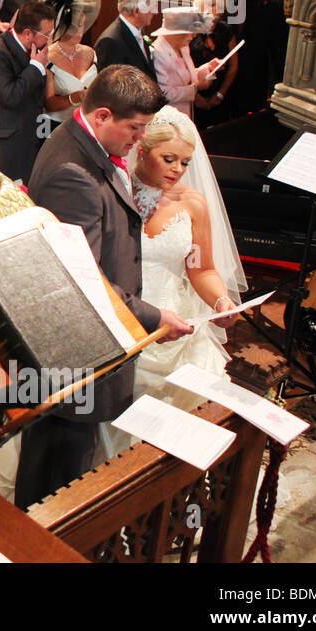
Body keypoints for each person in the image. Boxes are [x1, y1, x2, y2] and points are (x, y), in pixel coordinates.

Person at [16, 65, 193, 509]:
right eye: (134, 129)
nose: (138, 140)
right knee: (57, 471)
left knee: (66, 460)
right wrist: (151, 317)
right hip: (75, 350)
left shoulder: (86, 147)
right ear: (101, 117)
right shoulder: (72, 173)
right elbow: (81, 277)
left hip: (88, 343)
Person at [128, 105, 244, 409]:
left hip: (177, 321)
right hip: (126, 315)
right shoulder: (116, 190)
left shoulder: (193, 204)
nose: (178, 169)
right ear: (141, 150)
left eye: (185, 162)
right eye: (168, 159)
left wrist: (221, 301)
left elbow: (200, 268)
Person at [0, 1, 55, 216]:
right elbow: (10, 95)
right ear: (28, 33)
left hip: (24, 147)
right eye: (47, 33)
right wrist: (35, 67)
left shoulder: (33, 51)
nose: (50, 39)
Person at [225, 0, 288, 117]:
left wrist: (274, 88)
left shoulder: (272, 5)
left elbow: (278, 50)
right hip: (222, 78)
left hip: (253, 79)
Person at [151, 6, 218, 119]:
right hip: (168, 119)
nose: (195, 35)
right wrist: (196, 88)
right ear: (176, 32)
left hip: (185, 115)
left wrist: (206, 68)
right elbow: (164, 94)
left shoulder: (184, 47)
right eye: (191, 32)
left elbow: (185, 76)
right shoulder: (157, 53)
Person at [44, 10, 98, 128]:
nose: (78, 31)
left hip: (87, 125)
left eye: (81, 25)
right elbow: (49, 104)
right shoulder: (47, 57)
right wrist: (75, 97)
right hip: (55, 126)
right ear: (60, 26)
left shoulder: (90, 52)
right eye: (72, 26)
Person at [95, 0, 159, 81]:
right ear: (136, 11)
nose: (155, 12)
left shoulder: (140, 30)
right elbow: (111, 85)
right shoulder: (110, 42)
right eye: (151, 8)